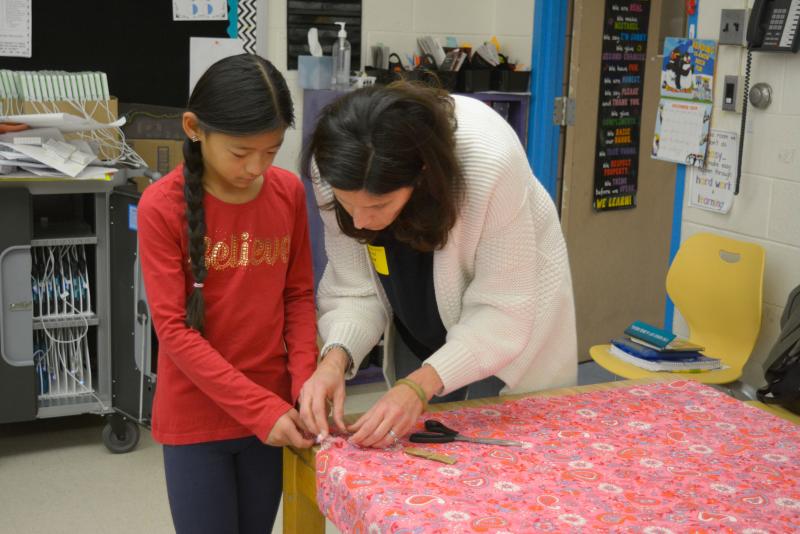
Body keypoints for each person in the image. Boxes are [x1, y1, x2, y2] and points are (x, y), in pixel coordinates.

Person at [299, 82, 577, 450]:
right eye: (348, 205)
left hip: (507, 336)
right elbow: (354, 287)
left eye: (379, 207)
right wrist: (334, 360)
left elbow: (502, 312)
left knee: (491, 456)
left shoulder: (490, 162)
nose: (361, 222)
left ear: (422, 172)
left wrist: (418, 385)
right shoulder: (335, 164)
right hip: (419, 316)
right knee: (416, 447)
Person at [137, 54, 316, 534]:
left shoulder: (289, 193)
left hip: (275, 413)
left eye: (272, 151)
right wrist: (262, 409)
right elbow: (174, 331)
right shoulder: (161, 207)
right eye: (241, 153)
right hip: (197, 419)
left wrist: (304, 386)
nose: (256, 167)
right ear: (195, 128)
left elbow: (298, 296)